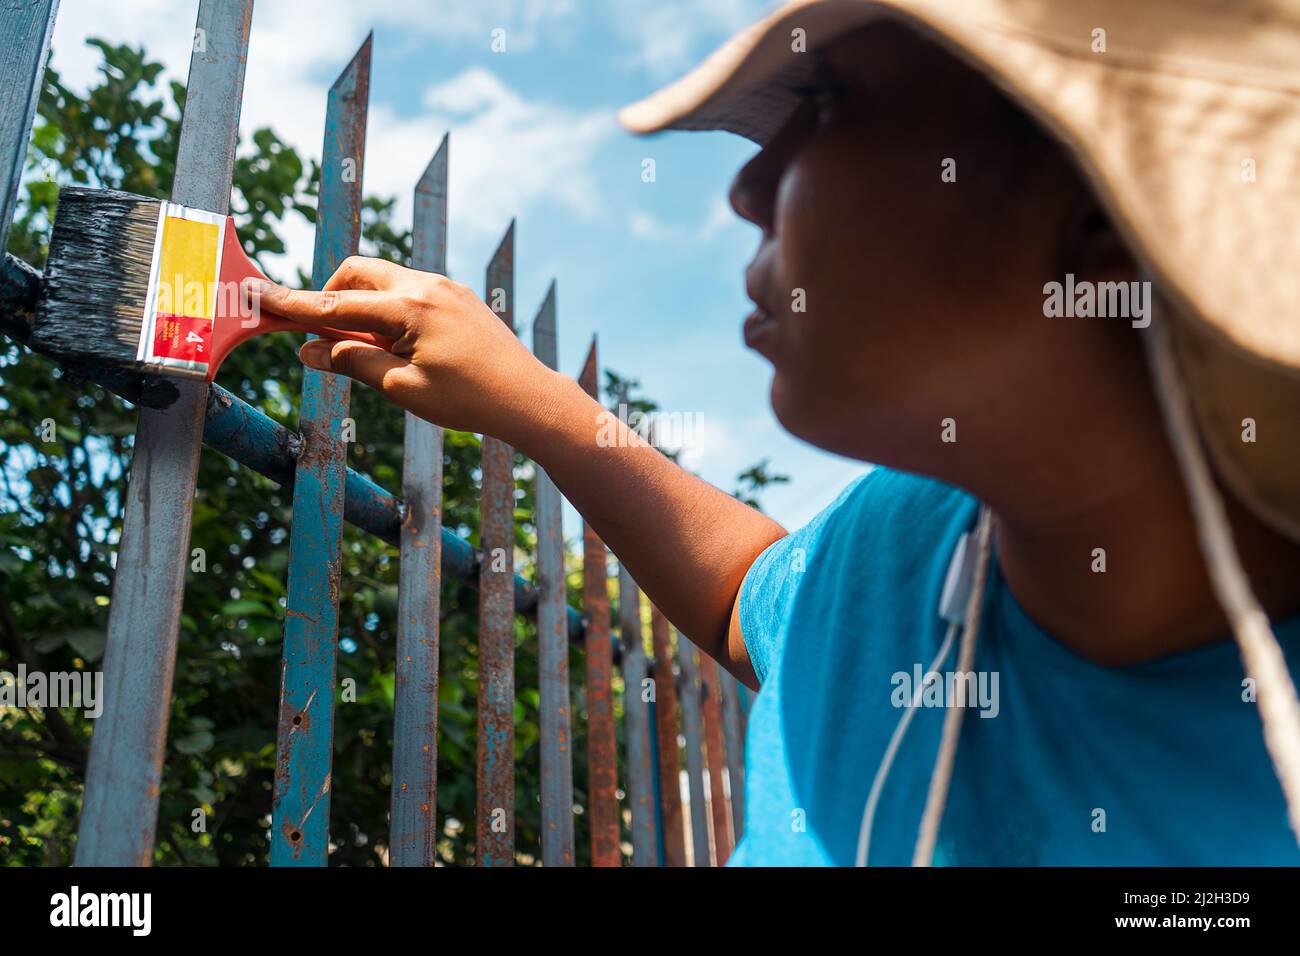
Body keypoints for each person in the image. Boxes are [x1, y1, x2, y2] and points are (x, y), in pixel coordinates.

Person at [243, 0, 1300, 865]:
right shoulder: (906, 548)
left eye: (830, 102)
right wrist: (530, 398)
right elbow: (752, 598)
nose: (748, 185)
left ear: (1105, 220)